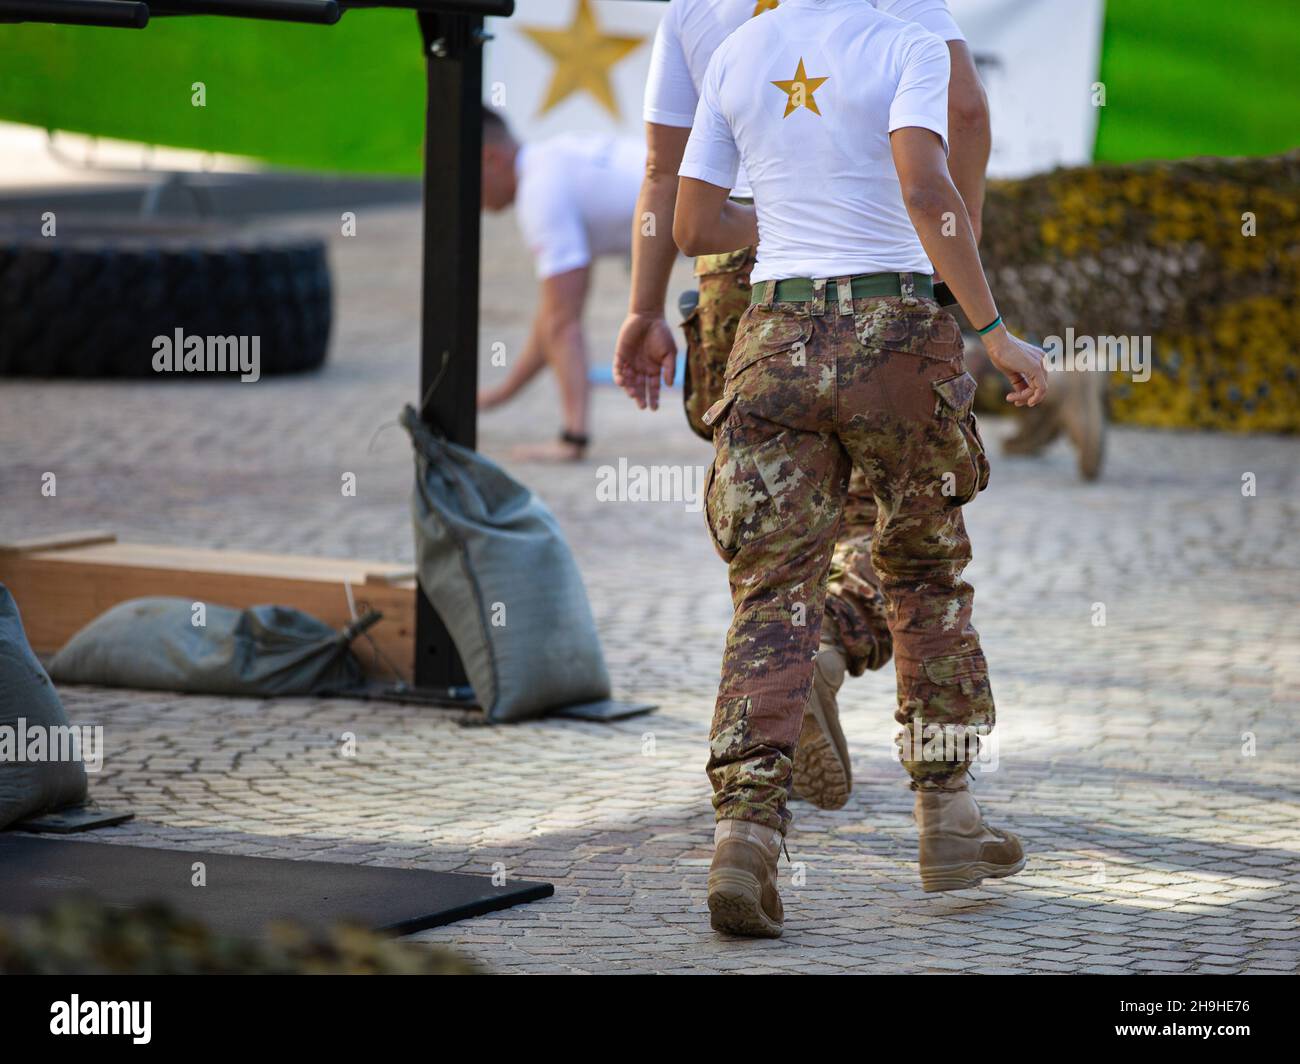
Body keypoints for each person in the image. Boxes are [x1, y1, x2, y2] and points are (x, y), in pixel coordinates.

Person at [672, 0, 1048, 937]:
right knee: (924, 581)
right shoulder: (908, 40)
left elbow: (691, 225)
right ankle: (947, 820)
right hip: (896, 342)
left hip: (771, 341)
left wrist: (788, 211)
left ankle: (745, 842)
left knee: (770, 597)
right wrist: (994, 334)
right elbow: (928, 190)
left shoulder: (739, 48)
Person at [613, 0, 989, 812]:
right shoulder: (894, 16)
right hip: (874, 264)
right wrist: (960, 275)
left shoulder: (696, 11)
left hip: (740, 275)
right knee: (901, 528)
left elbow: (661, 171)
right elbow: (964, 110)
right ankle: (832, 647)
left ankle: (754, 790)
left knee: (772, 540)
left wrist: (644, 307)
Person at [479, 107, 645, 461]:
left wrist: (571, 439)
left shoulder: (538, 194)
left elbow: (562, 325)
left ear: (489, 158)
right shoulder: (549, 161)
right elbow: (552, 320)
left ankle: (573, 437)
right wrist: (500, 394)